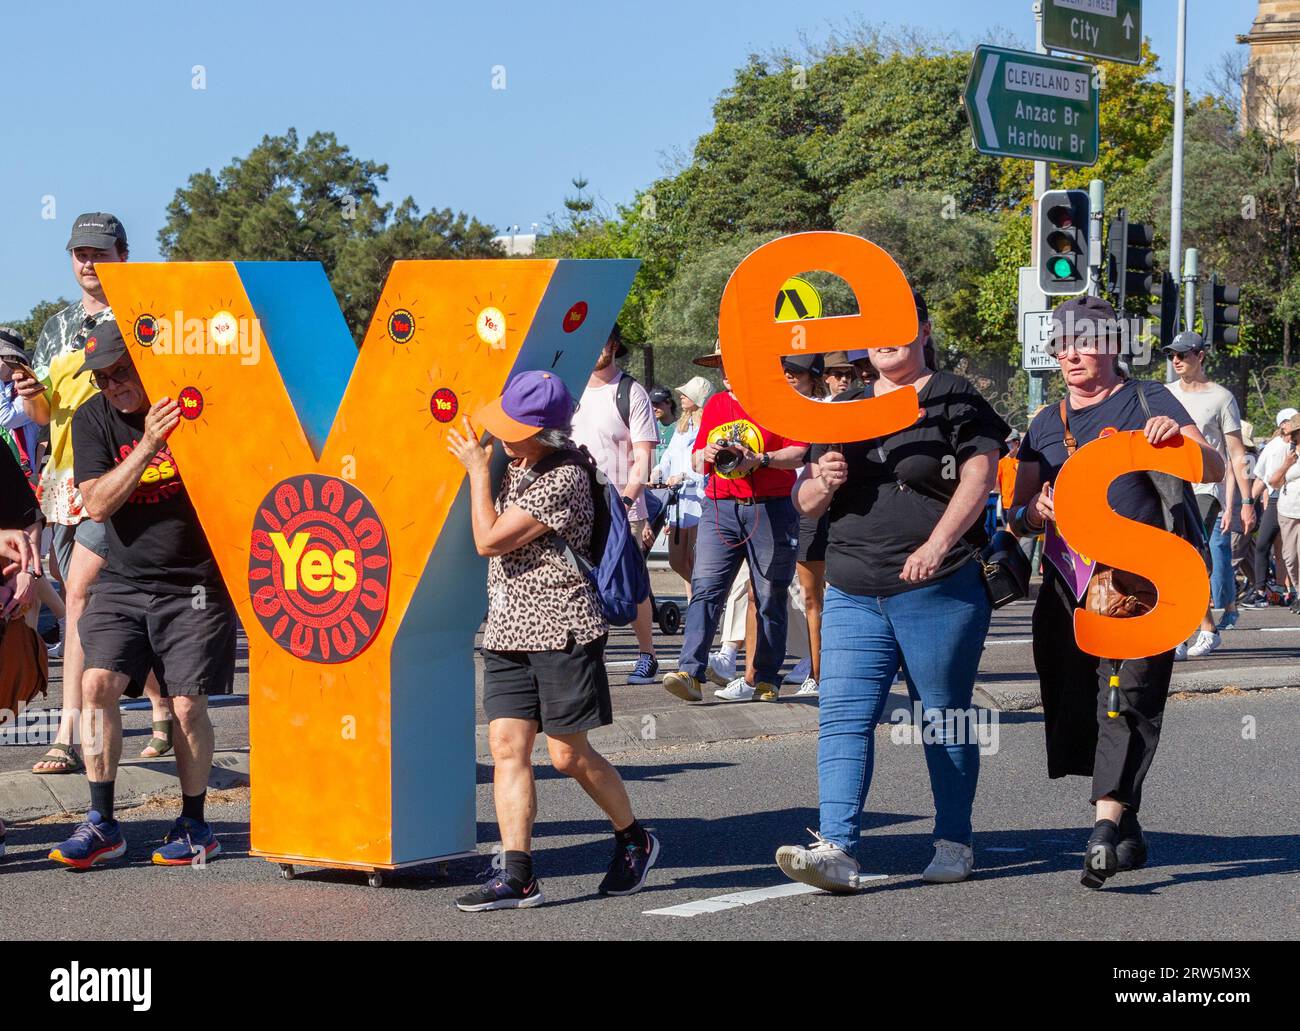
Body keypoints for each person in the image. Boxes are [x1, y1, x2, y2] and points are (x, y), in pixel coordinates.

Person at [774, 318, 1009, 892]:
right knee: (841, 718)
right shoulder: (842, 406)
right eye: (875, 328)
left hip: (938, 584)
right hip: (853, 586)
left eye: (900, 327)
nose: (887, 340)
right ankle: (837, 849)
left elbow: (980, 476)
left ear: (924, 331)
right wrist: (823, 481)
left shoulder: (953, 394)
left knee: (941, 716)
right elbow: (804, 502)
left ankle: (954, 841)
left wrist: (937, 545)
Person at [1009, 296, 1225, 890]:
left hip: (1145, 581)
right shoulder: (1045, 422)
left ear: (1111, 345)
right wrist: (1034, 508)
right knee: (1079, 697)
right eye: (1062, 342)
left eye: (1084, 341)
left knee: (1128, 695)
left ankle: (1103, 828)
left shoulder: (1147, 398)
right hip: (1069, 588)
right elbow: (1016, 514)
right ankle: (1125, 823)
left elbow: (1210, 466)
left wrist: (1174, 438)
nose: (1071, 353)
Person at [446, 370, 659, 910]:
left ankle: (633, 836)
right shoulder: (520, 464)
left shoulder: (564, 476)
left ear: (538, 430)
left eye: (509, 426)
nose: (497, 435)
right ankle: (518, 873)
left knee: (566, 755)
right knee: (505, 748)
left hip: (562, 627)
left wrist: (476, 472)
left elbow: (488, 539)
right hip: (508, 629)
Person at [48, 323, 236, 869]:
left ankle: (196, 823)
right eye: (102, 378)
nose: (113, 385)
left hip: (195, 583)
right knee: (96, 682)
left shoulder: (193, 408)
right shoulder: (93, 419)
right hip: (125, 578)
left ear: (145, 366)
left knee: (185, 703)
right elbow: (98, 504)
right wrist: (150, 443)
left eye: (121, 372)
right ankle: (102, 822)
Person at [9, 214, 175, 773]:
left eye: (100, 253)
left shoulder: (146, 318)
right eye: (80, 253)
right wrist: (31, 394)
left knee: (79, 595)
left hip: (128, 477)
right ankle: (161, 705)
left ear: (124, 256)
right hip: (64, 483)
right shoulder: (55, 327)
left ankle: (68, 732)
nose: (88, 263)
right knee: (103, 608)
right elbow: (40, 415)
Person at [662, 342, 806, 704]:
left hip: (771, 507)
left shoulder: (781, 400)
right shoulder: (716, 404)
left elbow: (799, 452)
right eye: (722, 366)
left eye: (734, 364)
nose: (725, 372)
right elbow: (697, 462)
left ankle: (767, 678)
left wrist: (762, 459)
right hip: (719, 506)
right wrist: (705, 453)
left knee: (770, 595)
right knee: (707, 588)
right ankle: (690, 672)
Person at [570, 326, 660, 685]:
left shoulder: (630, 392)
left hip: (624, 509)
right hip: (579, 510)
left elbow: (643, 459)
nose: (598, 348)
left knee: (630, 585)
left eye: (604, 341)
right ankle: (595, 658)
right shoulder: (571, 390)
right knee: (585, 585)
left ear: (615, 345)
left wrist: (627, 499)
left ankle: (648, 654)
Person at [1163, 331, 1252, 651]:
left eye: (1183, 354)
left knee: (1186, 554)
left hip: (1205, 487)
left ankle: (1200, 628)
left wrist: (1246, 501)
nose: (1176, 360)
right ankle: (1200, 628)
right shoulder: (1165, 394)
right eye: (1172, 355)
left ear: (1200, 356)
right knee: (1179, 559)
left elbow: (1237, 454)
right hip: (1168, 484)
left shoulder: (1221, 397)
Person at [650, 376, 710, 596]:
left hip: (699, 499)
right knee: (676, 561)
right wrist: (658, 471)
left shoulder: (708, 424)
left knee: (694, 559)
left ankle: (700, 599)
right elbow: (669, 456)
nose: (681, 396)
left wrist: (685, 476)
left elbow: (704, 464)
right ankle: (703, 596)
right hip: (679, 501)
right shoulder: (682, 425)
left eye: (687, 393)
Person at [1244, 407, 1297, 607]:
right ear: (1282, 425)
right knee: (1265, 545)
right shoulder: (1274, 447)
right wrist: (1248, 504)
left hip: (1292, 499)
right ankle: (1261, 591)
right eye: (1290, 422)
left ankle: (1286, 591)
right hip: (1277, 499)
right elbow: (1263, 479)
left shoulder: (1295, 446)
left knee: (1289, 549)